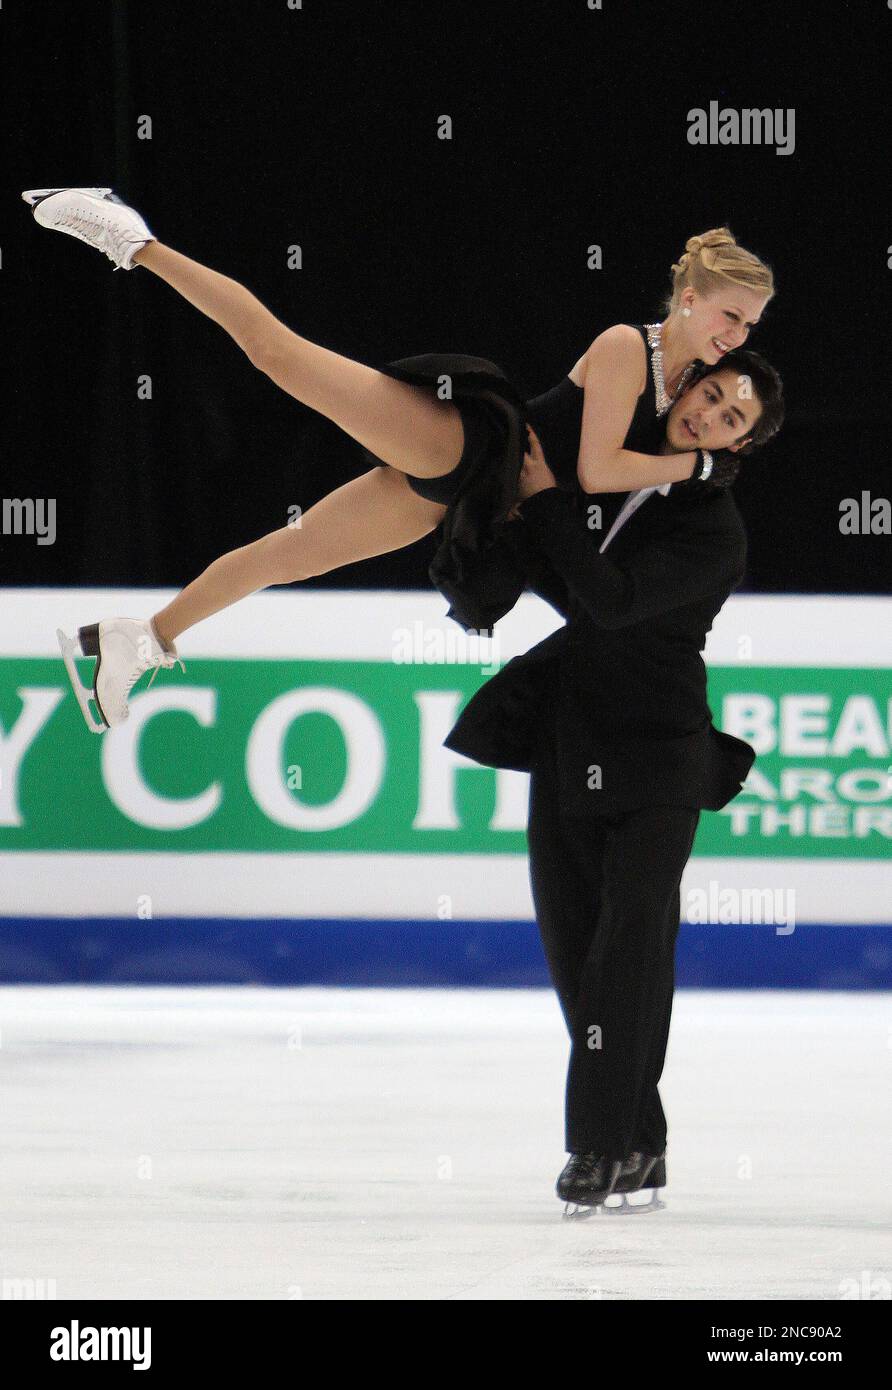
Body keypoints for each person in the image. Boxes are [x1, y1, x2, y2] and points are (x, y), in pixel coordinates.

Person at [21, 187, 773, 729]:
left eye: (750, 325)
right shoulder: (624, 348)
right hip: (471, 446)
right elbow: (600, 470)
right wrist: (697, 469)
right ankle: (131, 238)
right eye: (730, 315)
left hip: (465, 494)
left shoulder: (684, 389)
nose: (738, 335)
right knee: (277, 354)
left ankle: (141, 640)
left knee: (295, 554)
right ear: (688, 300)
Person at [444, 348, 785, 1214]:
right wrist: (498, 519)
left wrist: (551, 501)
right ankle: (643, 1140)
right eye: (710, 394)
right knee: (574, 951)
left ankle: (598, 1147)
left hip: (660, 755)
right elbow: (541, 576)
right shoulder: (608, 475)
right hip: (569, 739)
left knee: (626, 949)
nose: (709, 414)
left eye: (731, 418)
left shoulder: (716, 531)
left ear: (738, 447)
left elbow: (613, 600)